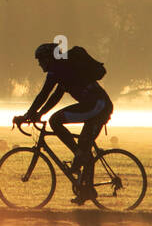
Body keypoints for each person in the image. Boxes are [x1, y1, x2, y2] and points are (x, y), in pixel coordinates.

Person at [13, 42, 113, 202]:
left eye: (41, 60)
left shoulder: (58, 70)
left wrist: (28, 116)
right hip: (95, 106)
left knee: (56, 121)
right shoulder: (63, 70)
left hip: (98, 106)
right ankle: (86, 189)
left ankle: (80, 158)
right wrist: (36, 114)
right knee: (82, 146)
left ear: (49, 58)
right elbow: (54, 96)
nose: (39, 64)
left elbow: (44, 95)